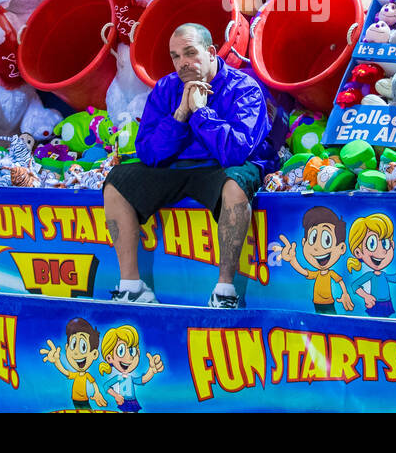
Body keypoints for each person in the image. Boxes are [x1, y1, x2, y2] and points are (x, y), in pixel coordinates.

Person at [103, 22, 273, 308]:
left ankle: (225, 290)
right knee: (118, 180)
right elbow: (148, 153)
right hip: (178, 168)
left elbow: (235, 152)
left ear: (210, 52)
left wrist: (201, 112)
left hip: (222, 166)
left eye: (190, 53)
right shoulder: (167, 87)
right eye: (175, 56)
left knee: (236, 184)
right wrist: (181, 113)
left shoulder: (244, 87)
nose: (182, 63)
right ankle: (132, 286)